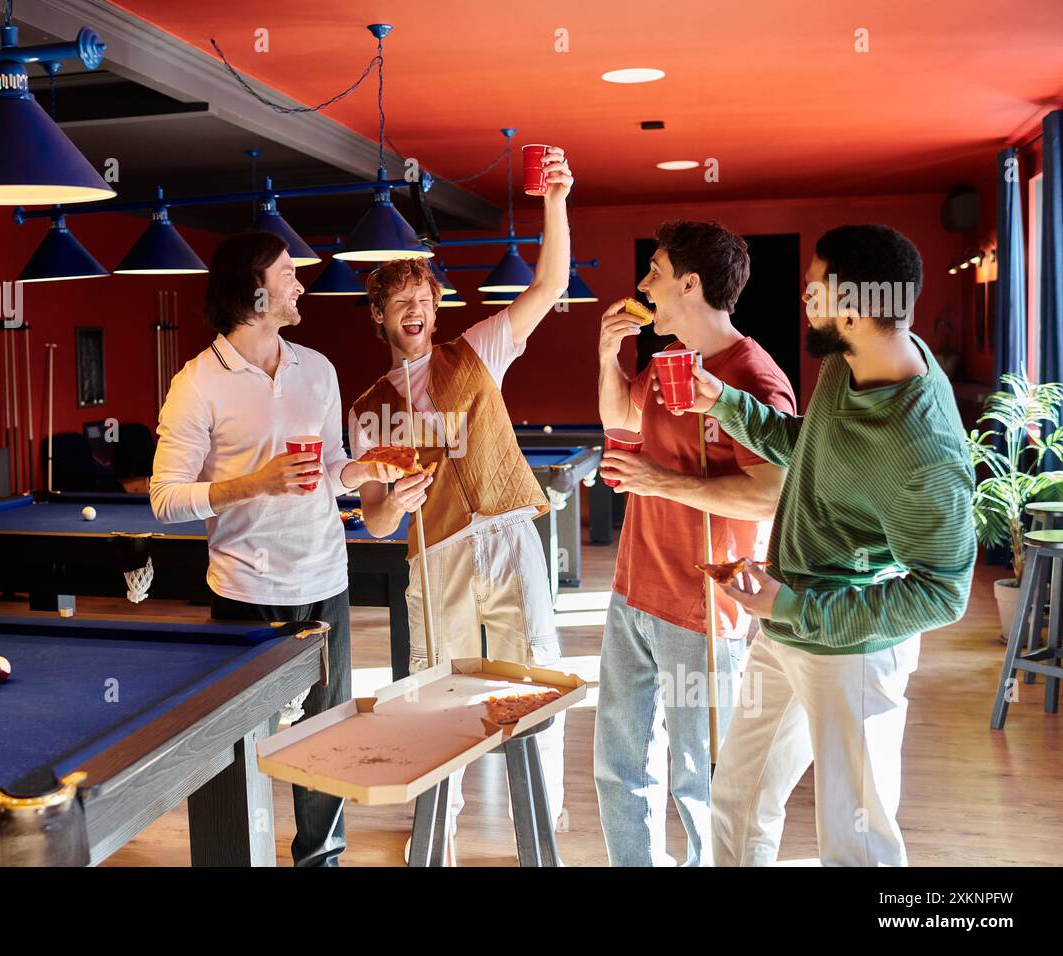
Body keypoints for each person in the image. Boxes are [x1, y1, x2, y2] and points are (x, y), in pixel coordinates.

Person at [659, 224, 975, 866]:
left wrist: (793, 607)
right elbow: (815, 447)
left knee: (856, 840)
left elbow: (943, 594)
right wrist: (726, 404)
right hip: (787, 625)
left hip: (852, 651)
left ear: (853, 310)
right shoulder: (851, 359)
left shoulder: (923, 451)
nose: (802, 298)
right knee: (738, 800)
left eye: (814, 290)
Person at [347, 146, 574, 852]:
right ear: (379, 315)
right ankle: (432, 838)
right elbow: (376, 521)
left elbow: (551, 282)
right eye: (401, 302)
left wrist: (555, 201)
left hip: (507, 536)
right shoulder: (366, 409)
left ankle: (541, 829)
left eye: (425, 298)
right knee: (431, 695)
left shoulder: (480, 350)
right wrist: (397, 503)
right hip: (434, 553)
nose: (417, 309)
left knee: (534, 676)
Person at [150, 231, 400, 867]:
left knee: (328, 740)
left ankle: (322, 860)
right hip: (246, 592)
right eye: (288, 272)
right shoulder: (196, 384)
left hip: (325, 579)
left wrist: (367, 471)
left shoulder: (317, 369)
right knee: (241, 745)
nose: (300, 282)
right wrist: (255, 483)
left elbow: (333, 470)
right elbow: (166, 499)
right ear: (254, 292)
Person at [594, 220, 796, 866]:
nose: (643, 284)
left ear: (689, 284)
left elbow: (771, 494)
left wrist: (660, 481)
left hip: (703, 605)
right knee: (619, 766)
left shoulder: (755, 378)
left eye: (653, 271)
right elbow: (620, 417)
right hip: (633, 590)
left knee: (700, 778)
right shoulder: (667, 363)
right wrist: (608, 354)